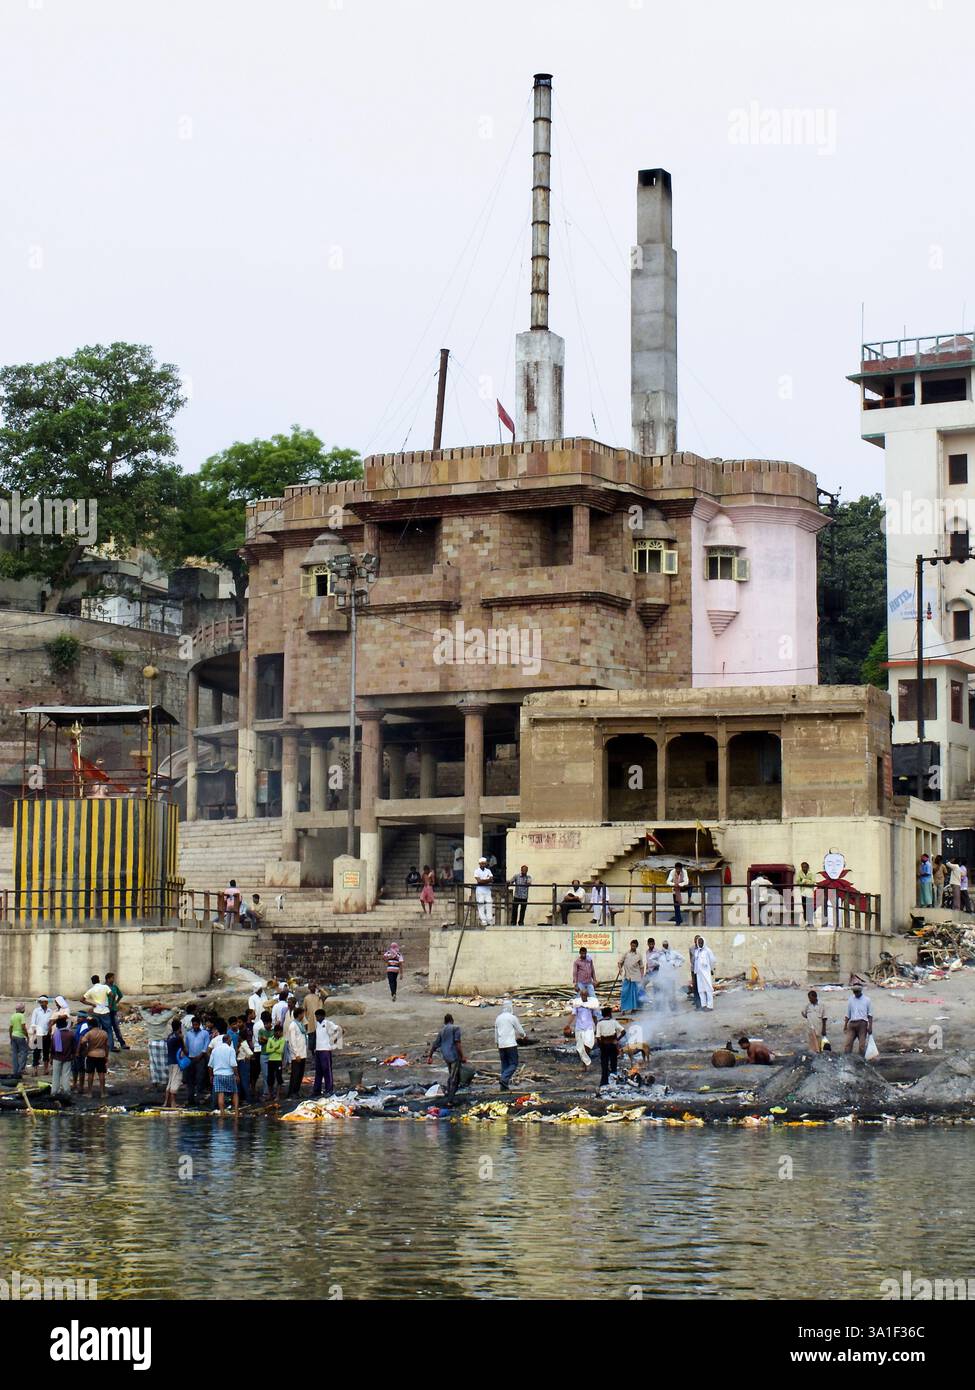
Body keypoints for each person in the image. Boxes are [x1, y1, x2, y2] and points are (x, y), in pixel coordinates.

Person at [427, 1014, 466, 1103]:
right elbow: (457, 1043)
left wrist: (430, 1056)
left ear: (445, 1021)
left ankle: (450, 1094)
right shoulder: (456, 1028)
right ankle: (450, 1100)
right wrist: (462, 1056)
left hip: (446, 1056)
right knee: (454, 1077)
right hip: (454, 1056)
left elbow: (435, 1044)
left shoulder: (442, 1031)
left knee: (454, 1075)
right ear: (452, 1020)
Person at [494, 999, 525, 1091]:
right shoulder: (512, 1017)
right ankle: (504, 1079)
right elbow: (520, 1030)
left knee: (504, 1065)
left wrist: (497, 1043)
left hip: (501, 1045)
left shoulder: (498, 1018)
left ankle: (503, 1087)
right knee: (513, 1064)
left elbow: (496, 1032)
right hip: (510, 1044)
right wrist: (524, 1036)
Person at [209, 1032, 240, 1114]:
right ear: (228, 1041)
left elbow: (210, 1065)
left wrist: (211, 1076)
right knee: (235, 1092)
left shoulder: (215, 1050)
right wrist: (237, 1075)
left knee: (220, 1094)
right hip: (229, 1074)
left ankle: (222, 1113)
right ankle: (236, 1112)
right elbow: (233, 1064)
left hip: (218, 1075)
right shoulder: (231, 1050)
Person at [79, 1016, 109, 1098]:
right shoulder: (104, 1033)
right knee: (101, 1074)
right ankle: (103, 1093)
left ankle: (89, 1093)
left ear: (90, 1025)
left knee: (90, 1075)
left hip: (91, 1054)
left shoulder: (89, 1033)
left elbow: (83, 1041)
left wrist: (86, 1049)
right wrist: (106, 1055)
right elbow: (107, 1046)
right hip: (101, 1054)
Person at [183, 1016, 209, 1105]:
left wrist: (201, 1055)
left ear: (199, 1024)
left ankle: (199, 1098)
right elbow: (186, 1046)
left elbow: (206, 1045)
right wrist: (187, 1055)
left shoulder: (205, 1033)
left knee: (200, 1078)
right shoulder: (188, 1034)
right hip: (190, 1059)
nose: (195, 1026)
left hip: (200, 1059)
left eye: (197, 1025)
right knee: (190, 1079)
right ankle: (190, 1098)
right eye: (194, 1025)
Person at [595, 1006, 623, 1087]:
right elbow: (623, 1031)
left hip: (604, 1045)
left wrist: (601, 1046)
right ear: (610, 1014)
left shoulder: (599, 1023)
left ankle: (604, 1082)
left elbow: (598, 1037)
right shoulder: (613, 1022)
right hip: (613, 1045)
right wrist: (617, 1040)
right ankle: (614, 1082)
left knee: (604, 1064)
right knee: (614, 1063)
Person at [50, 1013, 76, 1096]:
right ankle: (66, 1091)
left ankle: (54, 1091)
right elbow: (73, 1047)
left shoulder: (56, 1034)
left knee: (56, 1075)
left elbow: (55, 1048)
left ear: (57, 1026)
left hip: (57, 1057)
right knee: (66, 1075)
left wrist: (51, 1057)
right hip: (68, 1057)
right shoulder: (71, 1034)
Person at [82, 976, 112, 1048]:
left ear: (92, 982)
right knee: (108, 1030)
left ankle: (97, 1046)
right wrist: (110, 1005)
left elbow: (82, 999)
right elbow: (112, 995)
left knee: (96, 1029)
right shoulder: (105, 987)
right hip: (105, 1011)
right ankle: (109, 1047)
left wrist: (92, 1004)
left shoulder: (91, 990)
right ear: (99, 980)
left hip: (96, 1012)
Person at [312, 1008, 336, 1097]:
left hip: (325, 1050)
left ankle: (329, 1089)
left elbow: (338, 1030)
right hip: (318, 1050)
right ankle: (316, 1090)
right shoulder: (317, 1024)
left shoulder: (328, 1024)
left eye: (317, 1016)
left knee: (327, 1070)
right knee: (318, 1071)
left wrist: (334, 1040)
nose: (316, 1018)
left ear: (322, 1016)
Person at [844, 984, 874, 1055]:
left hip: (862, 1024)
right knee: (848, 1044)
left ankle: (861, 1060)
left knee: (861, 1046)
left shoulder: (867, 1000)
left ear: (860, 991)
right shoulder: (851, 999)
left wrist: (870, 1026)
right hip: (852, 1023)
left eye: (857, 992)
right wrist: (845, 1025)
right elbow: (848, 1014)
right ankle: (847, 1059)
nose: (855, 993)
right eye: (854, 992)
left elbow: (870, 1015)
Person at [569, 993, 597, 1067]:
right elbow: (573, 1015)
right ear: (581, 996)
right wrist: (568, 1024)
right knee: (580, 1046)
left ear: (587, 995)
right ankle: (585, 1063)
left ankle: (585, 1061)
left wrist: (597, 1026)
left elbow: (594, 1015)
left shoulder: (591, 1005)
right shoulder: (577, 1005)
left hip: (589, 1027)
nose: (584, 996)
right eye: (582, 995)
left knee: (589, 1044)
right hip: (579, 1027)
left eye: (585, 995)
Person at [103, 973, 129, 1051]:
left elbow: (120, 995)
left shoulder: (114, 987)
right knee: (107, 1029)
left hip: (113, 1010)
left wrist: (116, 1002)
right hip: (106, 1011)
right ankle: (110, 1045)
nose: (113, 980)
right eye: (112, 978)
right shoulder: (103, 987)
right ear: (107, 979)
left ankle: (122, 1044)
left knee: (116, 1028)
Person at [29, 996, 54, 1074]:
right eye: (40, 1002)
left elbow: (51, 1022)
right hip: (39, 1035)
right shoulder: (36, 1011)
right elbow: (33, 1023)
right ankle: (35, 1069)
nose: (41, 1003)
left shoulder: (50, 1011)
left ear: (46, 1002)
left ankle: (46, 1069)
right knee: (37, 1052)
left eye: (43, 1001)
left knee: (46, 1052)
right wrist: (35, 1032)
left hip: (47, 1034)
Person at [618, 940, 644, 1013]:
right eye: (632, 945)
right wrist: (620, 969)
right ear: (630, 945)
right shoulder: (626, 953)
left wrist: (642, 976)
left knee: (634, 994)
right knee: (624, 993)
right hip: (627, 976)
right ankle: (623, 1008)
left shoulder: (639, 955)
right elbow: (620, 962)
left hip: (636, 977)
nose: (633, 947)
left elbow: (641, 966)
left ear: (636, 946)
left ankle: (634, 1009)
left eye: (634, 946)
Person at [287, 1005, 308, 1096]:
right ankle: (293, 1091)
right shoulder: (293, 1025)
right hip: (297, 1054)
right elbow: (292, 1041)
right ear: (299, 1014)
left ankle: (296, 1090)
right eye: (302, 1013)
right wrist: (296, 1054)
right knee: (296, 1074)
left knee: (300, 1074)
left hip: (302, 1052)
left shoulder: (300, 1024)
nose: (303, 1015)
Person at [263, 1023, 286, 1101]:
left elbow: (281, 1050)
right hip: (271, 1060)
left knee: (279, 1078)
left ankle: (277, 1095)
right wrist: (276, 1048)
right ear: (276, 1032)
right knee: (270, 1078)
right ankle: (270, 1094)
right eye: (280, 1032)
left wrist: (273, 1048)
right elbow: (267, 1050)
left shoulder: (282, 1039)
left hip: (278, 1060)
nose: (281, 1033)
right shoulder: (270, 1039)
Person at [164, 1018, 183, 1108]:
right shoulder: (178, 1037)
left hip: (170, 1061)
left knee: (170, 1081)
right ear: (179, 1027)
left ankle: (166, 1102)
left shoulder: (169, 1036)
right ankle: (173, 1103)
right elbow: (184, 1049)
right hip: (176, 1062)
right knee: (175, 1081)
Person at [694, 936, 716, 1011]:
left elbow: (712, 960)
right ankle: (703, 1005)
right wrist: (695, 971)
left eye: (701, 942)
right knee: (701, 989)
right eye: (699, 942)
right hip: (699, 973)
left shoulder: (708, 951)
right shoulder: (696, 951)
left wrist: (712, 969)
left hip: (706, 973)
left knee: (708, 989)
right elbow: (696, 963)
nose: (700, 943)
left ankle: (710, 1006)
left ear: (704, 942)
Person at [802, 989, 827, 1054]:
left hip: (818, 1027)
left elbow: (824, 1018)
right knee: (811, 1043)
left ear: (815, 997)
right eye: (809, 998)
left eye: (811, 998)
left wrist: (824, 1029)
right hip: (810, 1028)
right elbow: (805, 1015)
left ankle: (819, 1054)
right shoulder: (808, 1006)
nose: (810, 1000)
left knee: (819, 1043)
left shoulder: (822, 1005)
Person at [8, 1003, 28, 1080]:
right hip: (20, 1036)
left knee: (14, 1054)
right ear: (22, 1009)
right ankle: (21, 1069)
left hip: (13, 1036)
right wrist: (27, 1035)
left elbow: (10, 1028)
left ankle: (15, 1071)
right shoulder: (21, 1016)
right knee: (24, 1052)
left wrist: (10, 1037)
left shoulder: (13, 1016)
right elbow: (23, 1027)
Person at [474, 857, 495, 926]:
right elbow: (479, 881)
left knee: (489, 904)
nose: (483, 864)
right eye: (482, 863)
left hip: (488, 890)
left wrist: (484, 881)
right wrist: (487, 880)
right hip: (480, 890)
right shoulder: (476, 871)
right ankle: (483, 920)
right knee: (480, 905)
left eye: (484, 863)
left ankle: (489, 920)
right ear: (479, 864)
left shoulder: (488, 870)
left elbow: (492, 879)